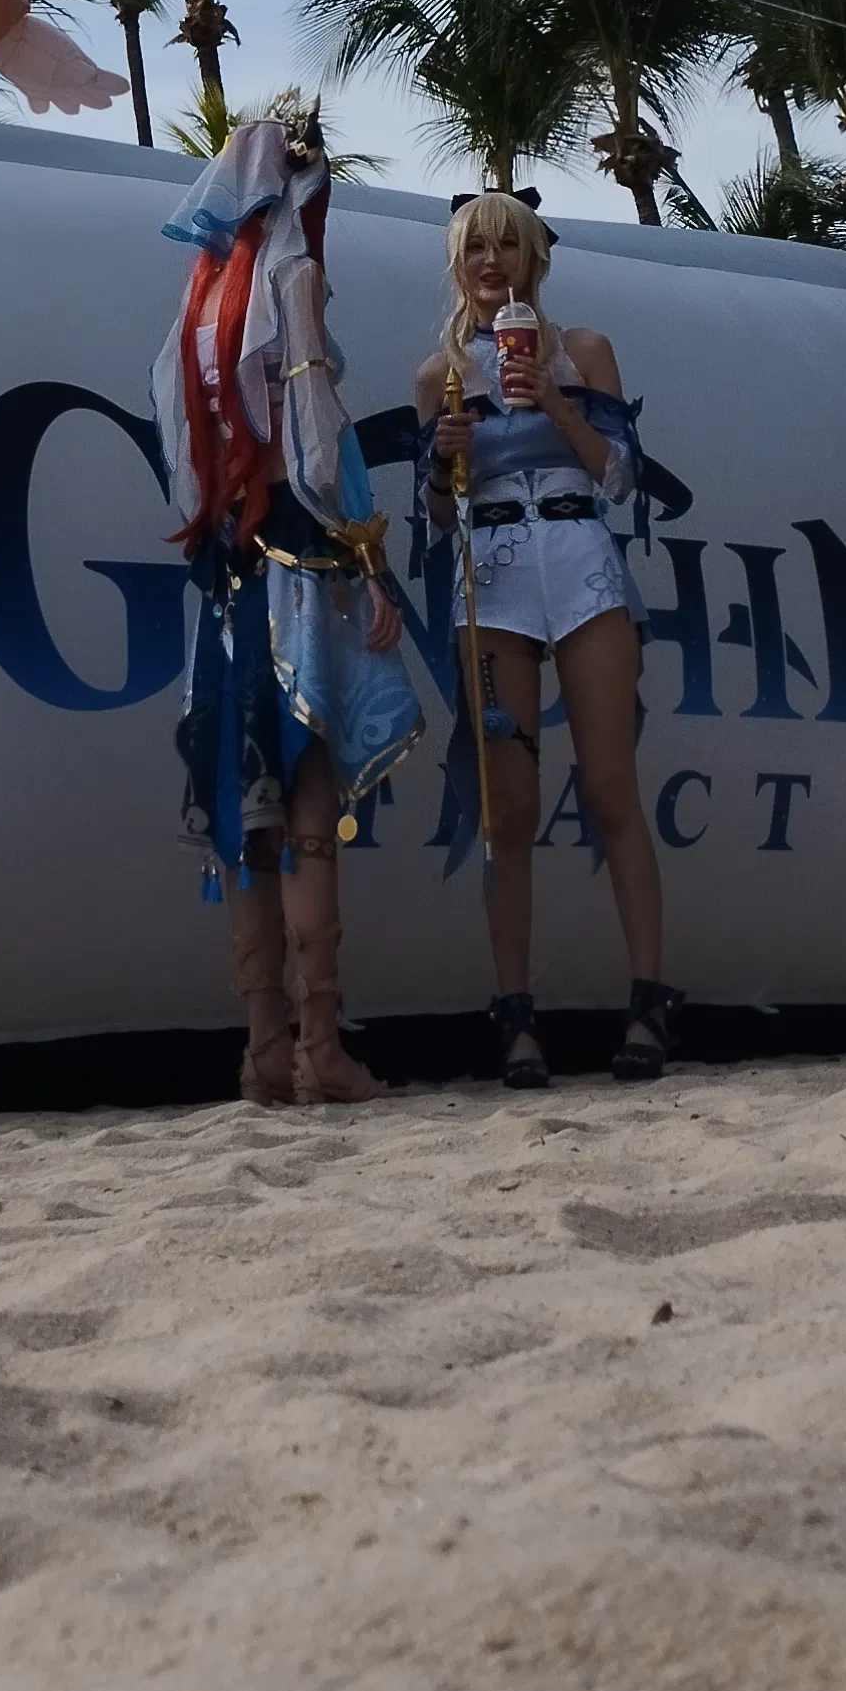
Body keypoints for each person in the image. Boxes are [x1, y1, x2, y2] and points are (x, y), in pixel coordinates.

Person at [155, 101, 423, 1105]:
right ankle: (319, 1048)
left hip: (225, 571)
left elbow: (183, 451)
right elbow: (315, 431)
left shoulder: (198, 294)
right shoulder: (292, 278)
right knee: (310, 816)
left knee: (248, 822)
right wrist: (365, 558)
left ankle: (264, 1049)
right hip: (299, 562)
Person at [418, 194, 681, 1088]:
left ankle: (648, 1002)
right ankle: (515, 1014)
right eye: (476, 248)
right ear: (458, 265)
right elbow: (437, 515)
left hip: (580, 561)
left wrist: (557, 405)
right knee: (509, 807)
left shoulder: (586, 349)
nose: (493, 261)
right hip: (491, 577)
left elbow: (621, 478)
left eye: (509, 245)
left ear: (535, 258)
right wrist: (440, 459)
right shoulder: (440, 373)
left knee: (612, 789)